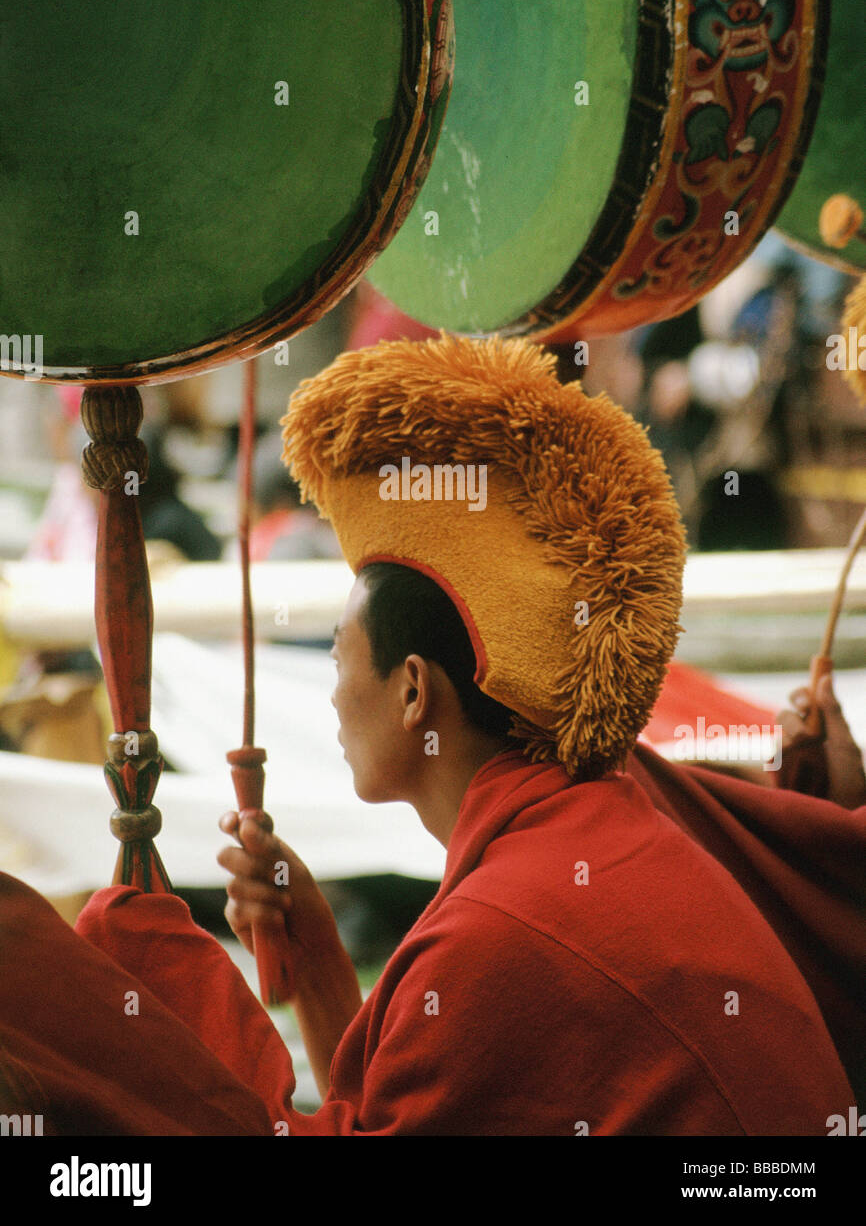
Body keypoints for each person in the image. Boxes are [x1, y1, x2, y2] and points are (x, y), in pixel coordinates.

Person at [216, 332, 855, 1135]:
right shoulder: (596, 820)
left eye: (341, 660)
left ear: (415, 690)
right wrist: (312, 950)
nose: (332, 698)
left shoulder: (503, 926)